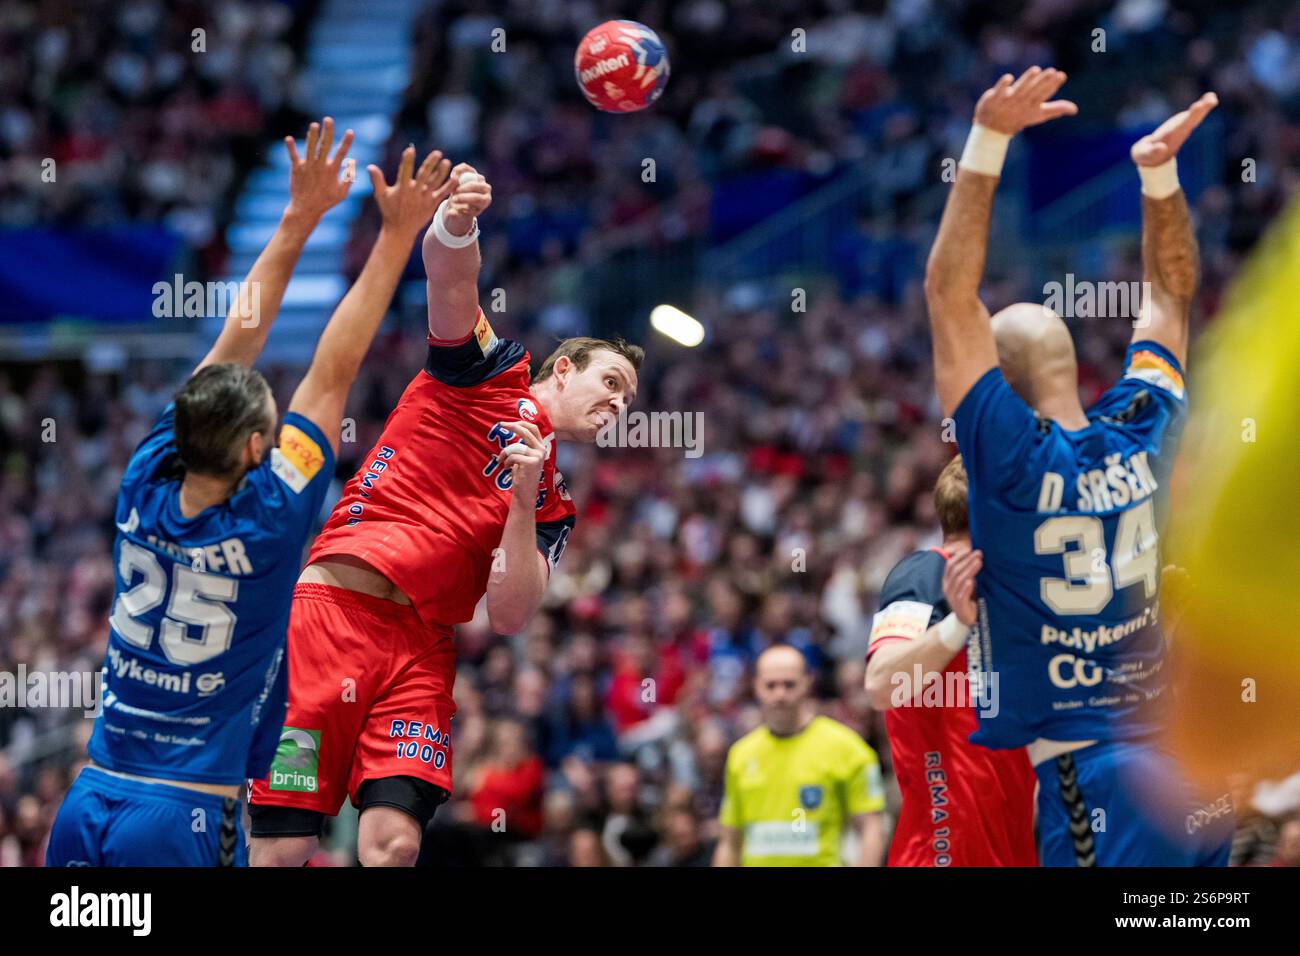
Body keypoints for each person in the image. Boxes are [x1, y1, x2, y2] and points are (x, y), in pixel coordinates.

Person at [45, 119, 456, 865]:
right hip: (181, 818)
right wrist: (396, 236)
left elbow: (232, 346)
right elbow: (334, 370)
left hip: (88, 802)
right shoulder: (271, 516)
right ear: (257, 449)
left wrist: (298, 218)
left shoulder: (144, 477)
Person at [248, 161, 644, 867]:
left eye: (626, 402)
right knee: (282, 847)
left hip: (420, 649)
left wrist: (521, 500)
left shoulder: (552, 503)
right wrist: (456, 222)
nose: (616, 405)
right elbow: (452, 282)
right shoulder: (492, 371)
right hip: (332, 616)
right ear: (563, 369)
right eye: (609, 382)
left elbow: (513, 614)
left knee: (394, 843)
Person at [923, 65, 1231, 865]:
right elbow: (1169, 292)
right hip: (1190, 770)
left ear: (1004, 390)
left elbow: (948, 294)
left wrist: (988, 138)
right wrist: (1159, 176)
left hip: (1102, 776)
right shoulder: (1140, 424)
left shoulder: (1009, 457)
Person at [864, 456, 1037, 865]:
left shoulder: (1017, 598)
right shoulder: (926, 574)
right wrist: (955, 628)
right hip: (941, 853)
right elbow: (880, 684)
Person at [713, 644, 886, 866]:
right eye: (771, 685)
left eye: (789, 684)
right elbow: (730, 843)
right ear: (756, 686)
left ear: (808, 683)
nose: (780, 694)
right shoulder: (741, 755)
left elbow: (871, 828)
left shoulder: (848, 749)